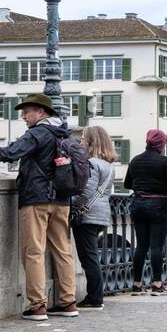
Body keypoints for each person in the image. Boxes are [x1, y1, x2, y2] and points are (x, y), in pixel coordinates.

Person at [0, 93, 78, 321]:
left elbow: (10, 153)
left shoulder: (38, 133)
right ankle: (68, 302)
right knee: (63, 251)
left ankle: (38, 306)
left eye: (27, 112)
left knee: (33, 252)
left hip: (37, 200)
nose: (23, 117)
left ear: (41, 112)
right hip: (62, 201)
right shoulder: (63, 133)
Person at [122, 129, 167, 295]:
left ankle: (136, 284)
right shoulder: (164, 161)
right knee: (156, 246)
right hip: (158, 205)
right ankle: (157, 284)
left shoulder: (135, 160)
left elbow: (128, 184)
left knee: (141, 245)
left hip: (138, 204)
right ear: (161, 144)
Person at [71, 125, 117, 310]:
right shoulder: (108, 165)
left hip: (88, 214)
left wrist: (70, 204)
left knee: (88, 257)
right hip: (101, 214)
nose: (81, 142)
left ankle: (95, 297)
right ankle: (96, 295)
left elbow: (85, 191)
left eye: (83, 139)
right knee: (92, 256)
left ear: (91, 142)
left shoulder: (92, 164)